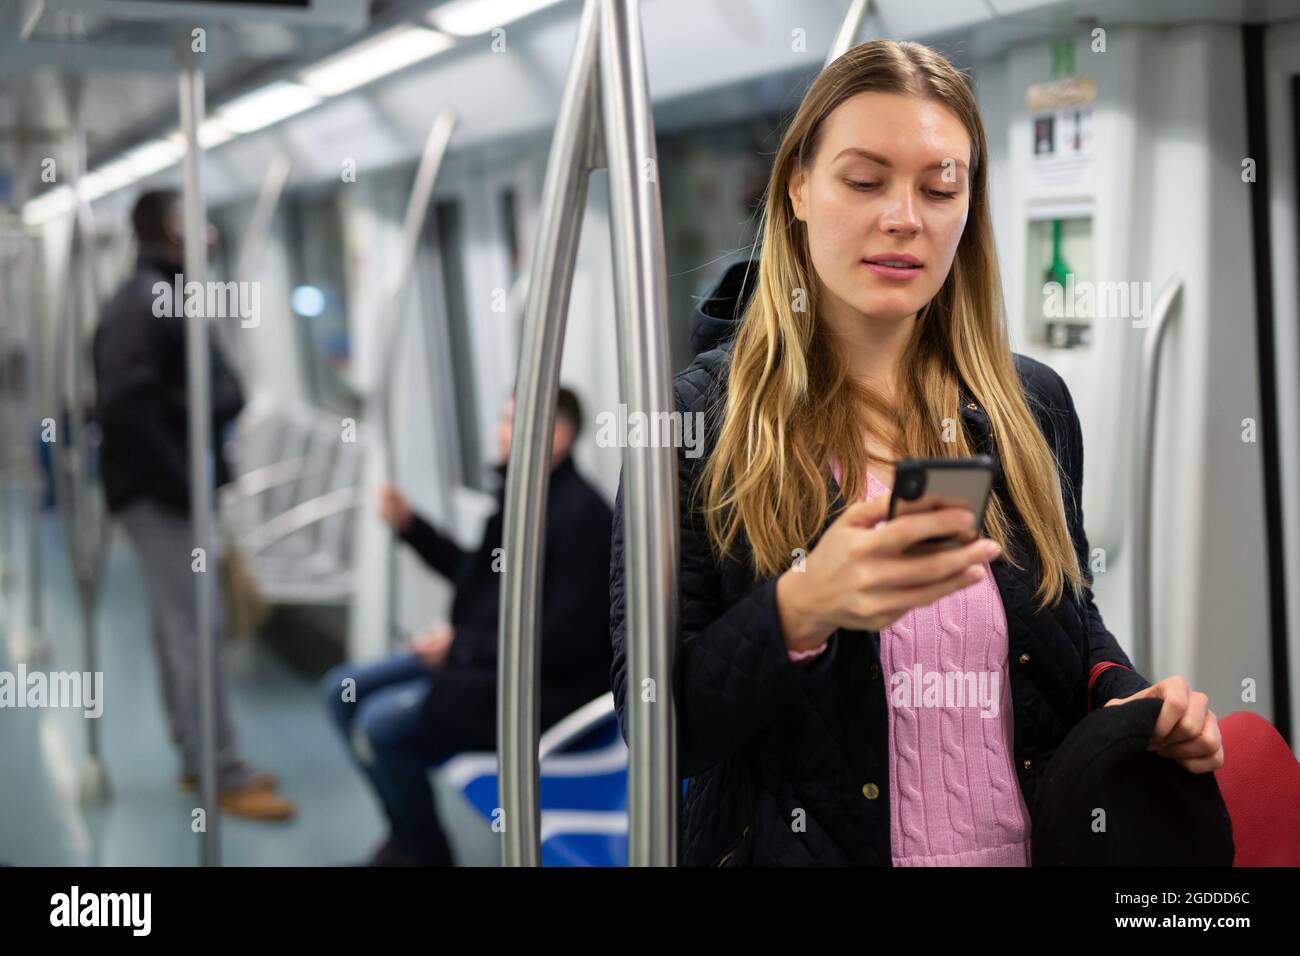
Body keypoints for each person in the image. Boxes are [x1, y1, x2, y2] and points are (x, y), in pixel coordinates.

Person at [609, 39, 1224, 867]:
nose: (905, 216)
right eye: (864, 182)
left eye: (941, 187)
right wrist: (801, 607)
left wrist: (1128, 695)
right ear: (796, 187)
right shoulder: (695, 425)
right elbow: (659, 729)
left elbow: (1071, 627)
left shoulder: (1026, 406)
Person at [322, 387, 613, 866]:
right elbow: (472, 577)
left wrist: (462, 649)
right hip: (487, 661)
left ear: (558, 435)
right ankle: (409, 836)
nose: (501, 433)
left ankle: (423, 853)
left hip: (546, 690)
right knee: (341, 691)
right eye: (503, 420)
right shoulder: (518, 500)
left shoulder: (582, 517)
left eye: (512, 422)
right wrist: (411, 527)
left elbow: (568, 642)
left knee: (381, 727)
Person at [93, 189, 294, 820]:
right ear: (170, 227)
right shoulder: (147, 299)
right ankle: (220, 774)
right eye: (195, 217)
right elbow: (125, 402)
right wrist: (183, 481)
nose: (208, 228)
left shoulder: (167, 291)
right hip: (163, 493)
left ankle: (200, 760)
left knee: (182, 629)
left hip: (171, 487)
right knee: (196, 632)